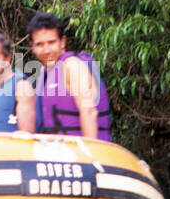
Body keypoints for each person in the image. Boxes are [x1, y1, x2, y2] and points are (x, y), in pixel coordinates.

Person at [27, 12, 112, 141]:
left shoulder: (73, 66)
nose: (46, 50)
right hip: (57, 154)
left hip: (83, 155)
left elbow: (88, 111)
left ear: (62, 42)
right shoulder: (44, 74)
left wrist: (89, 156)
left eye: (51, 42)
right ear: (32, 46)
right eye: (40, 44)